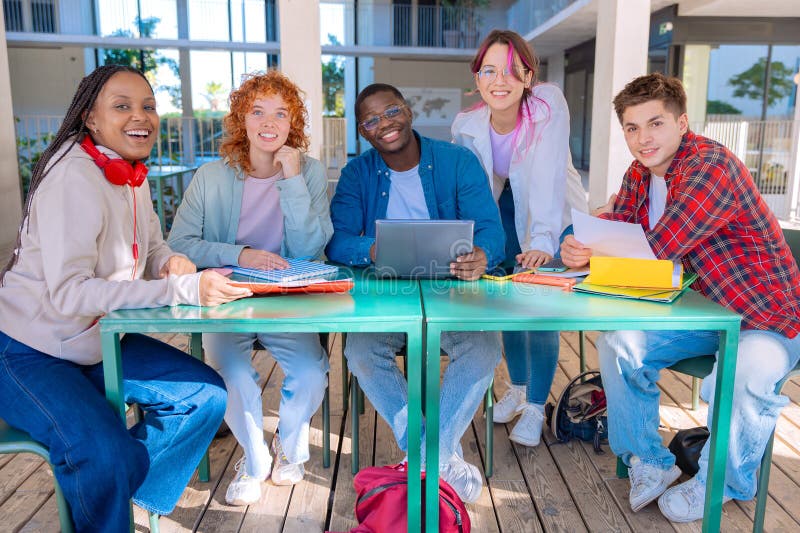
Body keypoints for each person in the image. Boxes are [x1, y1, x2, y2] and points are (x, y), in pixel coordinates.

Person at [0, 65, 250, 531]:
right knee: (103, 452)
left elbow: (154, 247)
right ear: (91, 120)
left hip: (98, 341)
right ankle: (105, 483)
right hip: (29, 352)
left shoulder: (130, 174)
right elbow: (71, 294)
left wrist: (168, 262)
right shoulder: (72, 177)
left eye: (148, 105)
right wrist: (183, 288)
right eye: (122, 106)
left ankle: (117, 494)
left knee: (204, 396)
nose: (141, 116)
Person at [560, 73, 800, 523]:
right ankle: (648, 461)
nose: (643, 138)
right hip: (700, 311)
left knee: (743, 377)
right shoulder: (639, 174)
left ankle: (721, 482)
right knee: (620, 343)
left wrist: (602, 238)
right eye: (632, 128)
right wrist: (576, 243)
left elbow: (655, 248)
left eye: (655, 124)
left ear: (682, 122)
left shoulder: (711, 166)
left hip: (765, 314)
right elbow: (618, 236)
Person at [326, 83, 505, 504]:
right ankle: (439, 457)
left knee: (483, 349)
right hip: (384, 292)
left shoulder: (457, 162)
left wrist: (483, 255)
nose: (384, 124)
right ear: (362, 132)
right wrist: (370, 249)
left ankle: (425, 458)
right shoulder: (356, 175)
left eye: (390, 111)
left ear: (407, 110)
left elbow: (492, 231)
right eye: (371, 120)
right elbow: (336, 242)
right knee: (362, 353)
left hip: (452, 290)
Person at [168, 71, 332, 505]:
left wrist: (292, 179)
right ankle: (254, 458)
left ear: (293, 123)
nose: (268, 121)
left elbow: (311, 247)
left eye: (281, 113)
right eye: (257, 110)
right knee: (233, 372)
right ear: (241, 118)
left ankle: (289, 447)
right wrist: (241, 254)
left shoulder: (309, 172)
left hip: (286, 296)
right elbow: (180, 243)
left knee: (313, 370)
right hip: (227, 294)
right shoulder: (210, 176)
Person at [452, 29, 588, 447]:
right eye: (489, 70)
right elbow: (472, 189)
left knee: (538, 303)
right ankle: (518, 386)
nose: (500, 80)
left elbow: (546, 179)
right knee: (509, 299)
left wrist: (543, 242)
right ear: (477, 78)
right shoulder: (466, 123)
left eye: (512, 71)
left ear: (529, 77)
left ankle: (535, 407)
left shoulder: (548, 105)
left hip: (557, 215)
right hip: (506, 211)